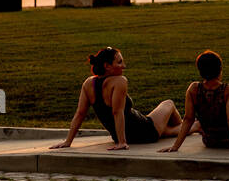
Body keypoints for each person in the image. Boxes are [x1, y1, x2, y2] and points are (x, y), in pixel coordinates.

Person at [49, 46, 184, 150]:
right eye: (119, 62)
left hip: (124, 136)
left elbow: (80, 114)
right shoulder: (119, 81)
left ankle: (193, 126)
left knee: (168, 130)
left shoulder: (88, 83)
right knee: (169, 103)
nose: (124, 66)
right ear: (107, 66)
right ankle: (186, 124)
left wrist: (68, 142)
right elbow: (117, 112)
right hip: (145, 130)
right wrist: (122, 143)